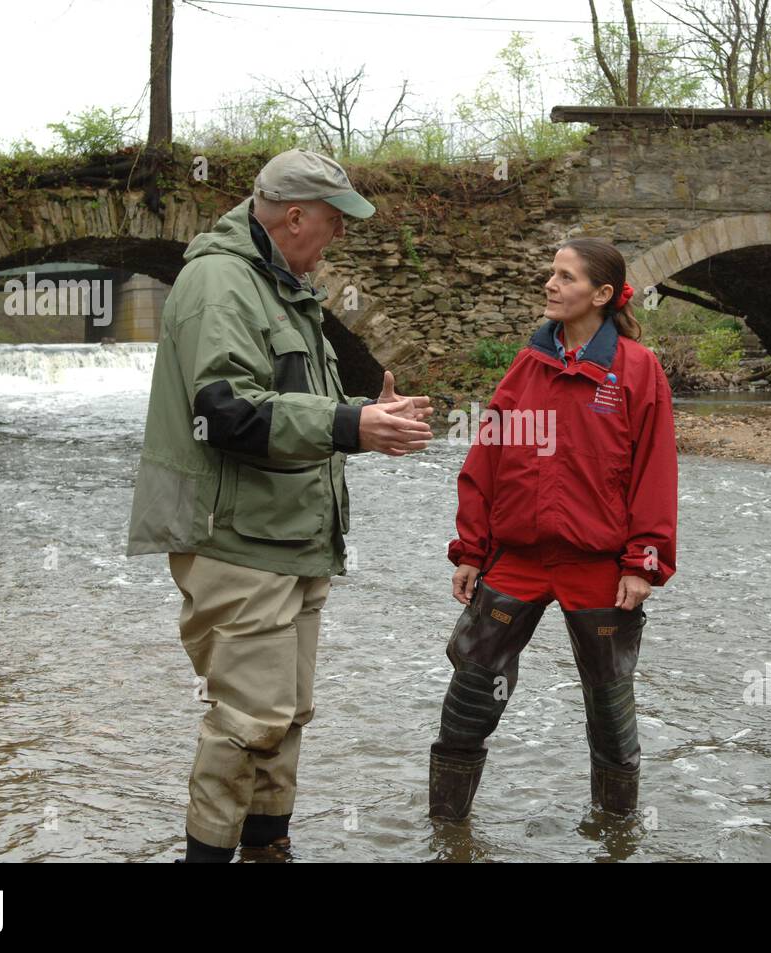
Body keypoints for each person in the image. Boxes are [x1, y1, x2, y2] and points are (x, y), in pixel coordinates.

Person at [126, 149, 433, 862]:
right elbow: (224, 412)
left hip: (291, 538)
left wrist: (360, 415)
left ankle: (270, 848)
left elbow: (291, 405)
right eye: (332, 222)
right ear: (294, 217)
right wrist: (348, 425)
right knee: (247, 720)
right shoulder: (221, 282)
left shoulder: (282, 286)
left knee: (284, 717)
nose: (337, 238)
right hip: (235, 539)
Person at [430, 237, 678, 820]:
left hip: (599, 569)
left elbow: (655, 473)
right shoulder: (527, 365)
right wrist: (470, 549)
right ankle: (447, 832)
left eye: (565, 277)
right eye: (552, 274)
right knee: (470, 695)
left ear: (602, 294)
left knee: (610, 711)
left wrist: (644, 562)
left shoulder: (637, 370)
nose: (550, 284)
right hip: (515, 559)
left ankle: (616, 834)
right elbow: (486, 457)